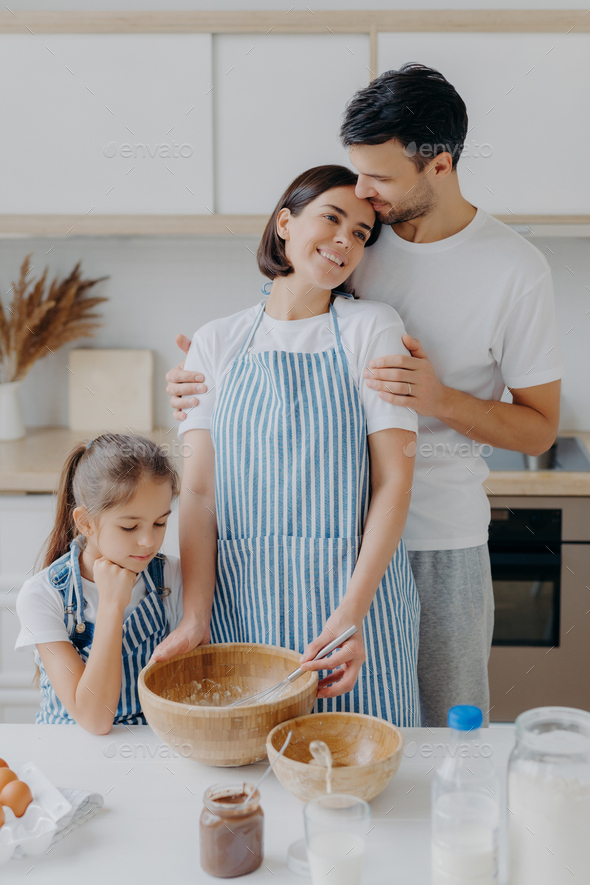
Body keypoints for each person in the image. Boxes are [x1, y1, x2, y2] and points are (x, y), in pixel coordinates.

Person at [165, 66, 563, 728]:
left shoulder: (514, 270)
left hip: (437, 535)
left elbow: (539, 429)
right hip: (320, 541)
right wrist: (204, 378)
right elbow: (283, 309)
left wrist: (439, 397)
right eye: (355, 179)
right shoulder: (358, 238)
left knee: (441, 731)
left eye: (378, 178)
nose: (363, 196)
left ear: (439, 166)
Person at [153, 165, 421, 725]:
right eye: (332, 218)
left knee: (358, 772)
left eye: (362, 233)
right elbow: (200, 492)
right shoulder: (216, 341)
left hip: (351, 605)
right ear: (284, 222)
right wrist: (195, 615)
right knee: (250, 771)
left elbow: (394, 481)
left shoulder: (374, 328)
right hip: (242, 605)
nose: (346, 240)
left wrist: (351, 616)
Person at [15, 433, 183, 733]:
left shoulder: (172, 578)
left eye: (160, 523)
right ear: (86, 523)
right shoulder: (41, 596)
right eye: (129, 526)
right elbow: (95, 719)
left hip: (152, 747)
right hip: (68, 751)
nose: (148, 541)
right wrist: (111, 605)